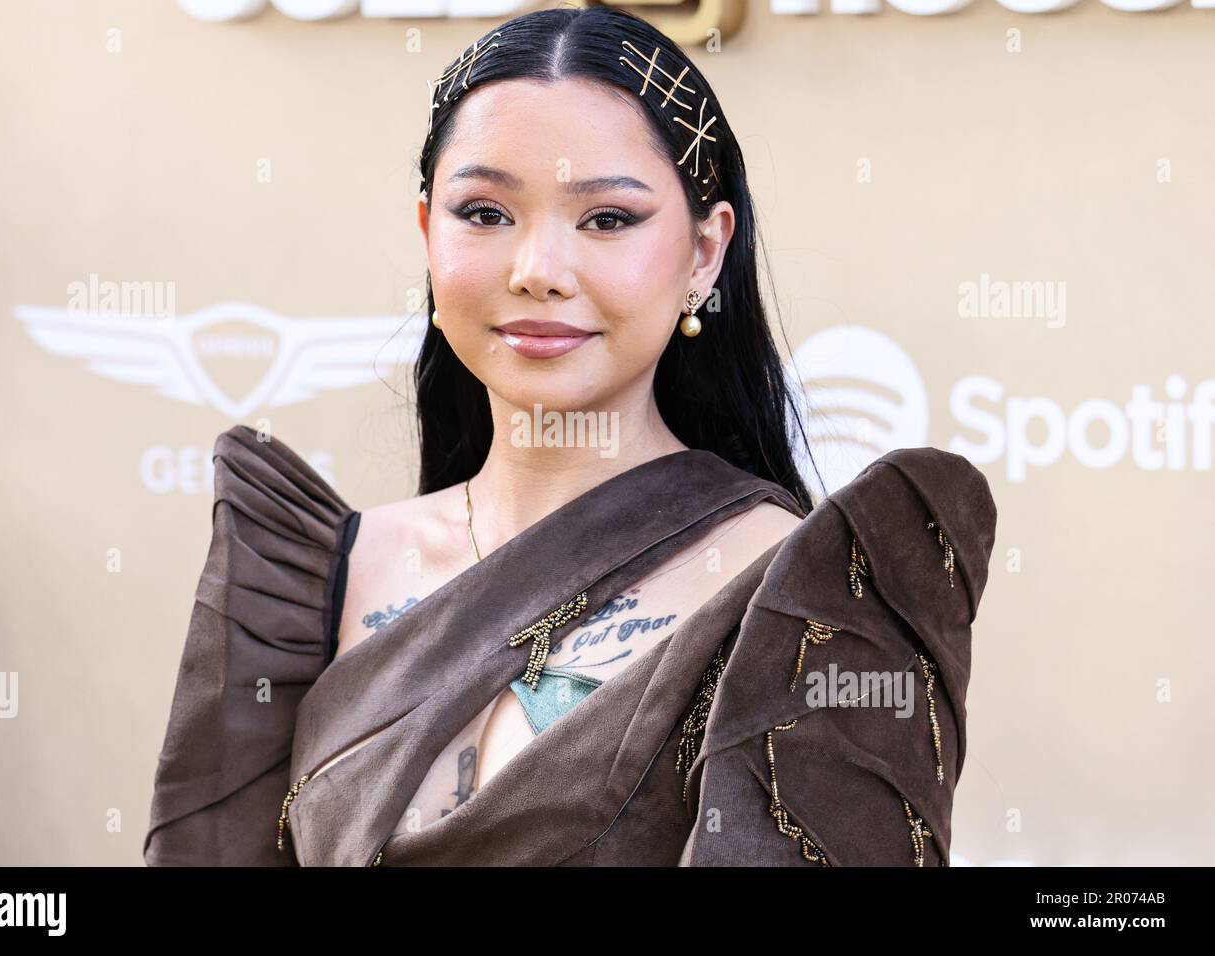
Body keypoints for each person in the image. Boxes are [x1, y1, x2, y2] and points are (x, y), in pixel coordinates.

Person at [143, 5, 997, 867]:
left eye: (608, 220)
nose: (538, 272)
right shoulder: (309, 575)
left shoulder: (811, 594)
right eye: (483, 212)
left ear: (705, 254)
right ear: (427, 234)